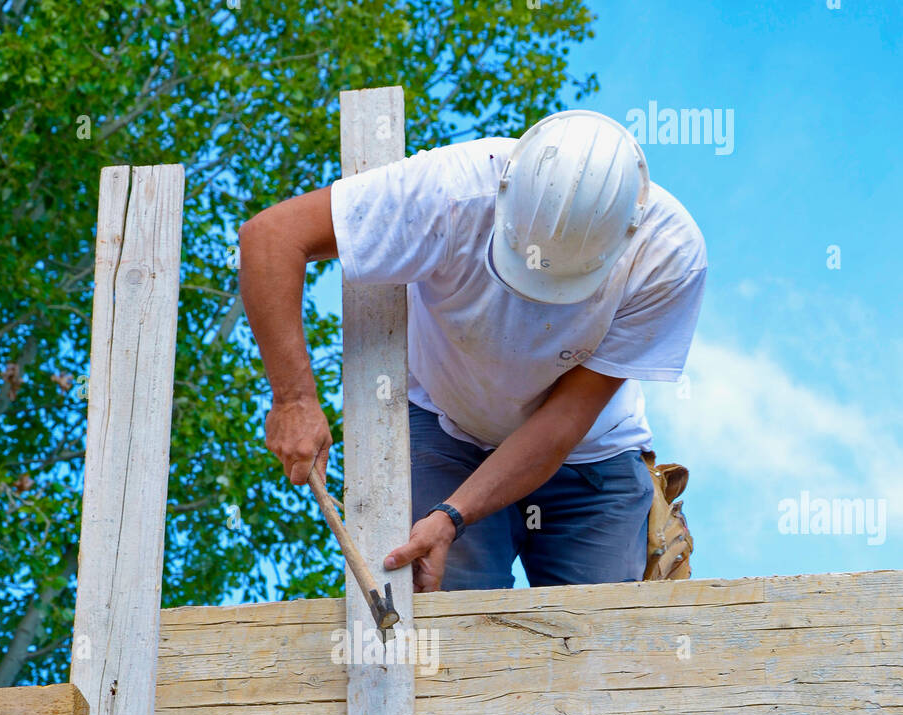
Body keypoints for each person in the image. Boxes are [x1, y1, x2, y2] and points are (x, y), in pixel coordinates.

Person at [239, 109, 706, 592]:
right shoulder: (451, 190)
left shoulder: (668, 256)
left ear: (626, 234)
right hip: (446, 426)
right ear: (504, 195)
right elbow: (271, 237)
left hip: (589, 452)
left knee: (596, 643)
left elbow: (565, 420)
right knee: (454, 630)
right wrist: (294, 400)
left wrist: (451, 516)